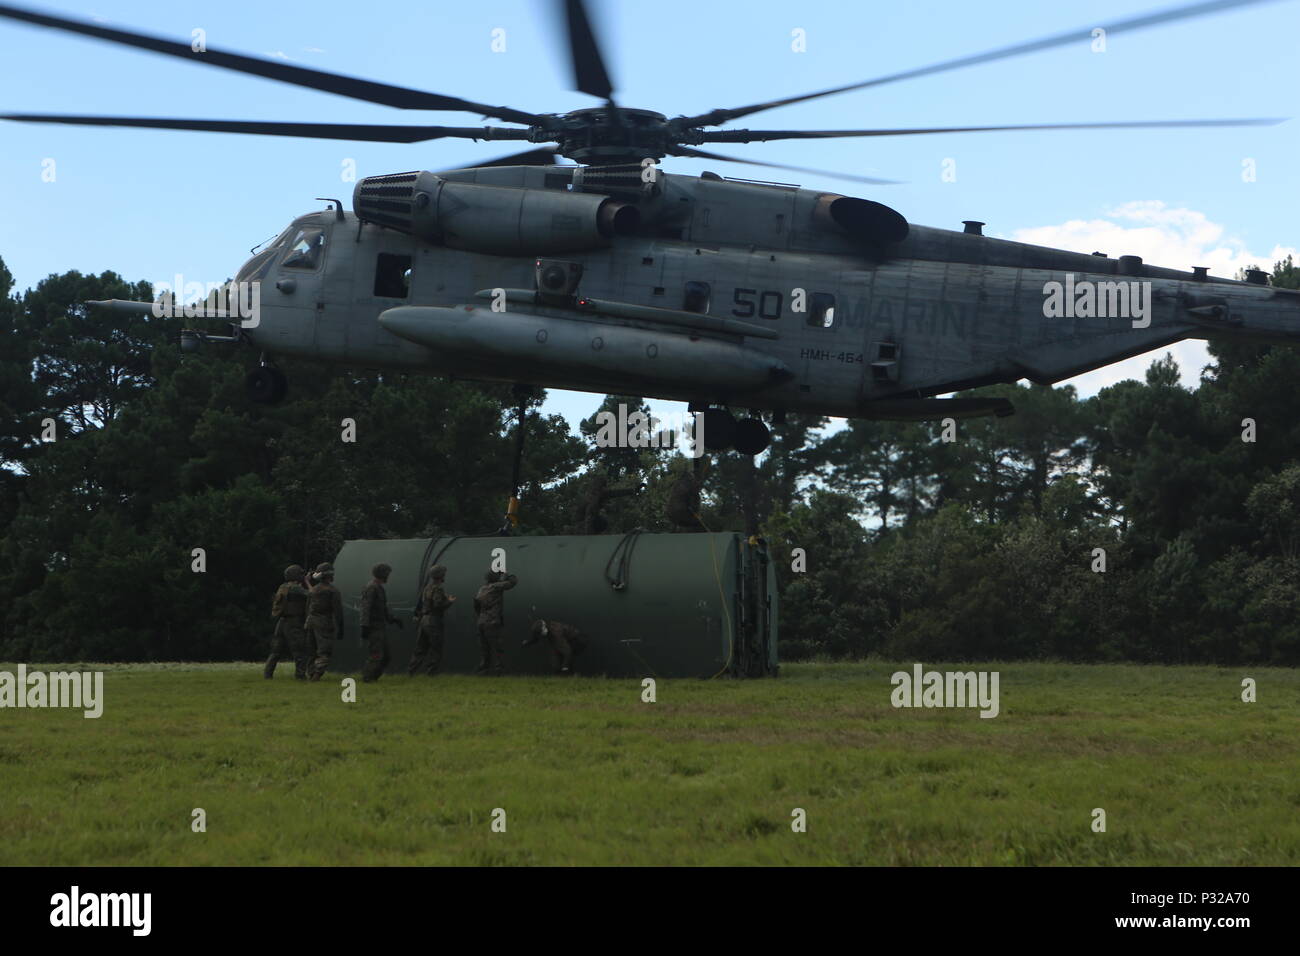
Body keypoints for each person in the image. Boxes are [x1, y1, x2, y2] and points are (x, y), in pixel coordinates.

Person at [265, 564, 311, 680]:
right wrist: (307, 582)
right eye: (301, 574)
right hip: (294, 623)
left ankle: (268, 674)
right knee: (299, 650)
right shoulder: (296, 588)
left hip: (281, 622)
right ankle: (300, 676)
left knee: (275, 650)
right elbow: (313, 594)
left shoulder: (283, 586)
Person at [359, 562, 402, 683]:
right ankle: (367, 679)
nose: (388, 576)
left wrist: (393, 619)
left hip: (380, 627)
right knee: (376, 655)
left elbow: (382, 608)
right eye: (387, 574)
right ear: (382, 574)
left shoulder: (379, 588)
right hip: (373, 627)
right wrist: (364, 625)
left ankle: (373, 677)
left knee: (386, 657)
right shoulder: (371, 587)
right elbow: (365, 607)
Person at [409, 564, 455, 676]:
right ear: (440, 575)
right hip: (434, 620)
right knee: (436, 647)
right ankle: (431, 673)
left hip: (424, 620)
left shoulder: (427, 588)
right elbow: (437, 605)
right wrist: (449, 601)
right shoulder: (438, 588)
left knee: (420, 647)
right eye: (443, 573)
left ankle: (412, 671)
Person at [473, 570, 518, 676]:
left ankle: (483, 671)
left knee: (485, 649)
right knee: (498, 649)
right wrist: (507, 575)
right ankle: (499, 671)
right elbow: (513, 582)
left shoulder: (482, 589)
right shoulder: (496, 587)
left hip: (481, 622)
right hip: (492, 622)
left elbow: (476, 605)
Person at [306, 562, 345, 682]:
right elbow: (338, 612)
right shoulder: (333, 591)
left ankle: (311, 673)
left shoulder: (313, 590)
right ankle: (317, 675)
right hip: (324, 622)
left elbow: (307, 607)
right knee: (324, 651)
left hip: (310, 622)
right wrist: (341, 628)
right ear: (329, 575)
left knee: (311, 650)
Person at [522, 617, 586, 675]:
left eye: (542, 632)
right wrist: (528, 642)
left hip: (577, 640)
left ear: (544, 627)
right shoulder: (539, 629)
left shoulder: (556, 633)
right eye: (539, 633)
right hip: (564, 641)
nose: (541, 634)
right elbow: (535, 638)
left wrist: (565, 666)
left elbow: (568, 652)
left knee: (564, 659)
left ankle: (570, 673)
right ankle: (564, 673)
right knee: (556, 664)